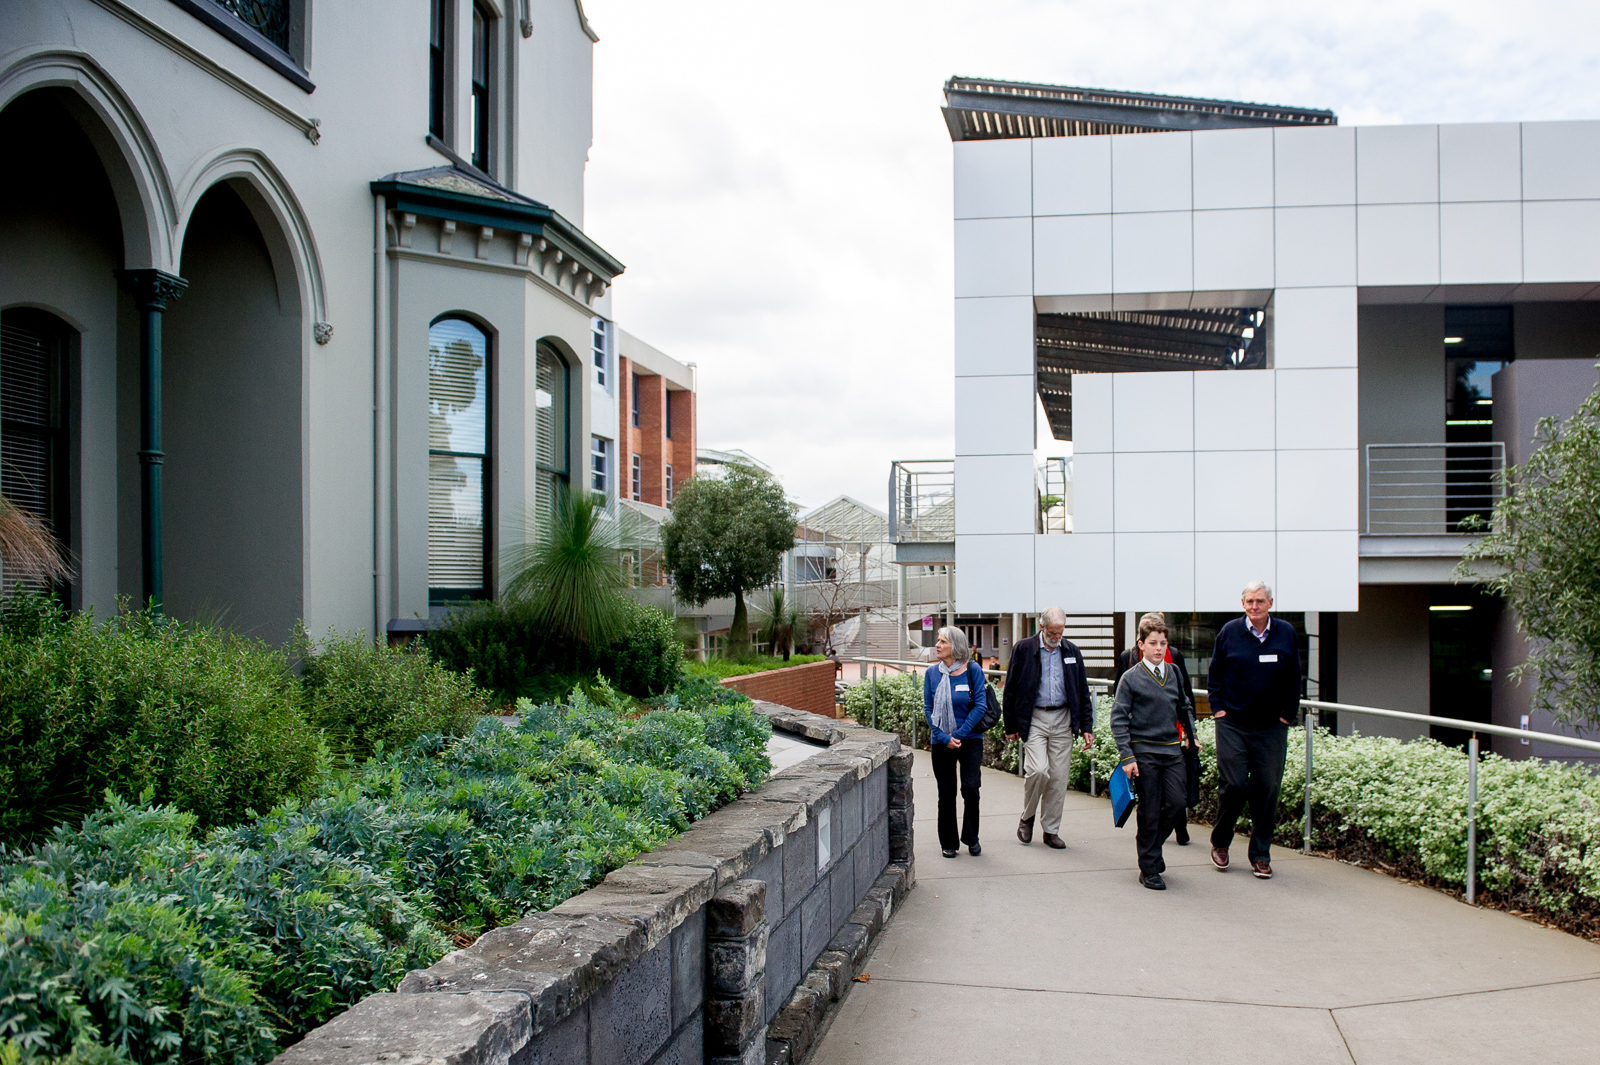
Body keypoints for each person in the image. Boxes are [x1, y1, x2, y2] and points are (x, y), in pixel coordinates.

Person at [1207, 580, 1302, 879]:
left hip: (1271, 726)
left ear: (1270, 603)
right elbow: (1215, 673)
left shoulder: (1285, 632)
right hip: (1233, 723)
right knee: (1235, 784)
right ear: (1243, 603)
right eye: (1249, 601)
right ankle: (1220, 842)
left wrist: (1288, 715)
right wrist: (1217, 709)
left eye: (1260, 601)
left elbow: (1295, 677)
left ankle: (1260, 854)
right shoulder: (1229, 632)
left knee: (1268, 787)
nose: (1254, 606)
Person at [1111, 615, 1198, 890]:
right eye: (1153, 643)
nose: (1159, 648)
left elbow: (1184, 707)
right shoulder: (1130, 678)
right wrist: (1127, 757)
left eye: (1162, 643)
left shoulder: (1174, 673)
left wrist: (1192, 735)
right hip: (1144, 752)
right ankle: (1149, 868)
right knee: (1149, 810)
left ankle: (1151, 848)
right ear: (1141, 645)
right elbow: (1118, 719)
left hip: (1172, 751)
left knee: (1176, 804)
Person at [1003, 607, 1094, 849]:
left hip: (1063, 718)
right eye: (1052, 632)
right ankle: (1027, 817)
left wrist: (1086, 726)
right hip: (1035, 718)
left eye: (1060, 632)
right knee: (1038, 770)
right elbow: (1010, 688)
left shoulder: (1072, 651)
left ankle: (1051, 830)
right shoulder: (1023, 649)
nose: (1057, 637)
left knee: (1058, 777)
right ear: (1041, 627)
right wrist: (1011, 725)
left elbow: (1082, 690)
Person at [923, 625, 988, 858]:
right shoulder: (931, 673)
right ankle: (948, 842)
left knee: (971, 788)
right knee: (946, 792)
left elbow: (980, 705)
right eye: (938, 640)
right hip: (941, 742)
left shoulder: (973, 670)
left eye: (943, 641)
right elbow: (928, 709)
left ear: (956, 646)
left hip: (969, 740)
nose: (937, 645)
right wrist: (943, 737)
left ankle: (971, 837)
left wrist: (958, 735)